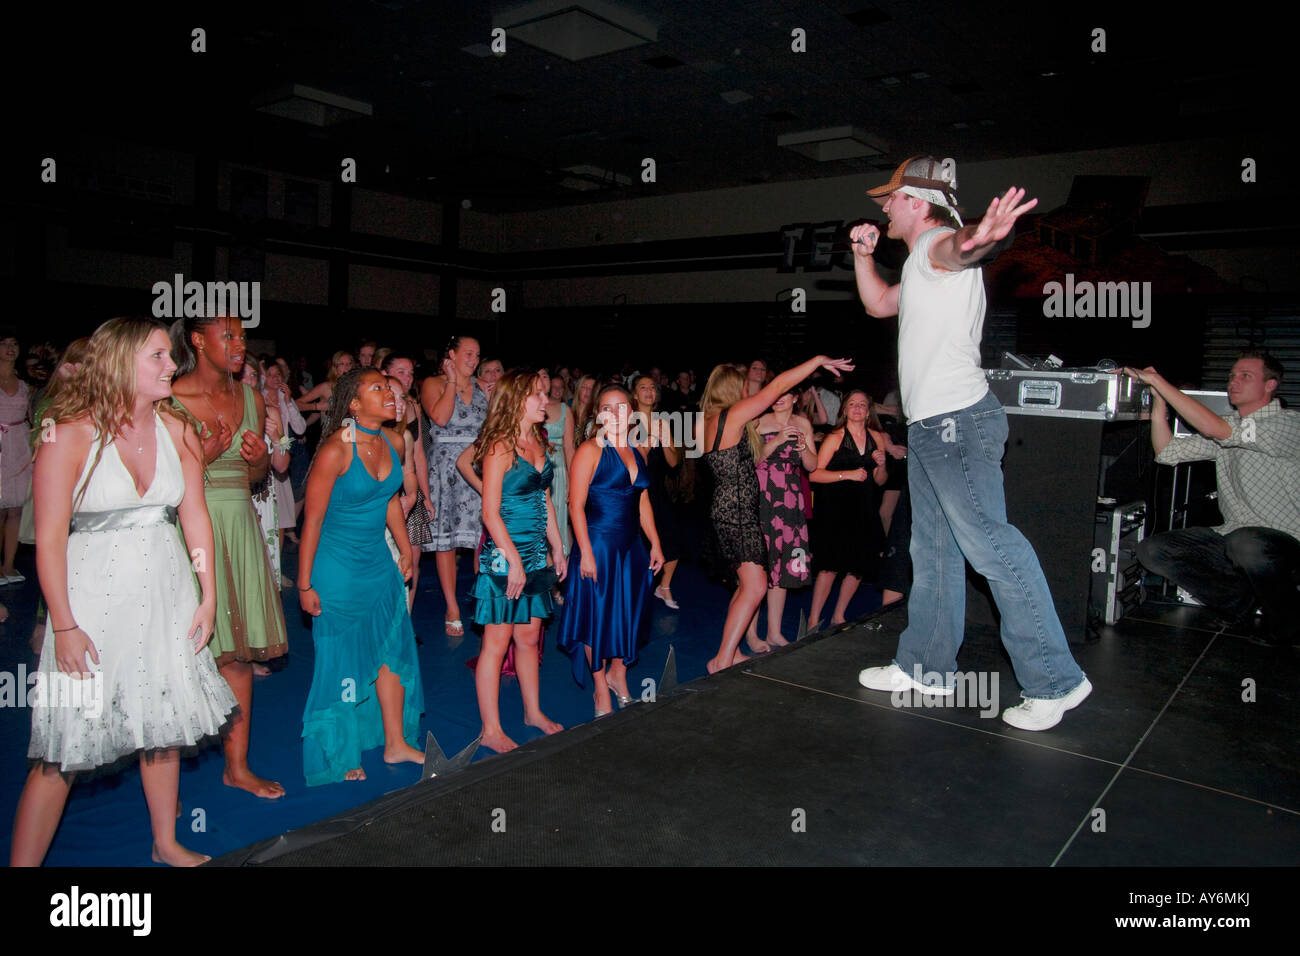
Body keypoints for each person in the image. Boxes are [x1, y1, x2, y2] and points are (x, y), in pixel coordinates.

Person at [850, 154, 1090, 730]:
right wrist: (862, 256)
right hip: (933, 426)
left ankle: (1056, 682)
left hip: (955, 421)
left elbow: (961, 248)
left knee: (992, 547)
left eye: (892, 197)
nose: (883, 206)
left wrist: (983, 235)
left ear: (919, 202)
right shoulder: (915, 268)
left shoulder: (935, 246)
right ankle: (927, 668)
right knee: (931, 554)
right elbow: (876, 304)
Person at [10, 318, 235, 866]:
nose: (171, 366)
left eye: (171, 356)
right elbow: (49, 540)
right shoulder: (66, 432)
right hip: (89, 602)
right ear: (118, 362)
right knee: (60, 751)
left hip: (166, 592)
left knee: (162, 723)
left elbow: (196, 517)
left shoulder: (176, 428)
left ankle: (165, 842)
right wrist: (62, 624)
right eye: (157, 356)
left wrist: (207, 593)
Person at [171, 315, 289, 794]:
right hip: (186, 528)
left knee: (238, 655)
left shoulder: (251, 398)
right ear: (198, 341)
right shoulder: (170, 396)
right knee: (183, 658)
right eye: (229, 336)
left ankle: (236, 767)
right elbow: (153, 483)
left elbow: (258, 473)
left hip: (240, 524)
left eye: (243, 336)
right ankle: (168, 786)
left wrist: (259, 454)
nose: (240, 344)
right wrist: (199, 452)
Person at [298, 369, 426, 784]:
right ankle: (342, 751)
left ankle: (396, 742)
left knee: (392, 652)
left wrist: (405, 548)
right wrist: (304, 584)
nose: (390, 394)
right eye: (378, 389)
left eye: (389, 388)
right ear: (353, 405)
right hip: (337, 571)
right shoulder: (336, 450)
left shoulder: (391, 440)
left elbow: (387, 500)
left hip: (378, 565)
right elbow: (312, 521)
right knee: (344, 663)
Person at [1128, 353, 1300, 648]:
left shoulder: (1288, 423)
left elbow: (1216, 429)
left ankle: (1291, 626)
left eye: (1245, 375)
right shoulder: (1229, 426)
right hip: (1236, 537)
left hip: (1288, 543)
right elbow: (1167, 453)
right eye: (1232, 375)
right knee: (1153, 550)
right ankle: (1239, 606)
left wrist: (1159, 380)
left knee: (1247, 543)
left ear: (1271, 385)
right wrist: (1159, 404)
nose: (1234, 381)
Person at [699, 355, 852, 673]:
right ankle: (721, 660)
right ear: (731, 390)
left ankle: (731, 651)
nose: (749, 391)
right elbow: (779, 384)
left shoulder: (711, 419)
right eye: (743, 386)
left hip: (727, 509)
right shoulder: (732, 416)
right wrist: (817, 361)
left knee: (746, 585)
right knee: (755, 586)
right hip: (738, 512)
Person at [471, 370, 568, 753]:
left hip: (534, 554)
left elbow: (544, 499)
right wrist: (512, 560)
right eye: (539, 395)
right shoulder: (499, 446)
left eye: (545, 393)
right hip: (504, 556)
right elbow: (490, 512)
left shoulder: (536, 441)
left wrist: (557, 546)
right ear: (516, 400)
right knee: (497, 643)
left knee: (528, 638)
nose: (546, 400)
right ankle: (490, 729)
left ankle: (532, 711)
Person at [559, 384, 664, 717]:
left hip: (631, 547)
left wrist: (656, 542)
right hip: (599, 545)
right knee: (596, 616)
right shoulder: (589, 450)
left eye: (621, 408)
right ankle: (600, 687)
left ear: (631, 412)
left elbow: (642, 500)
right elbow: (575, 507)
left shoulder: (637, 449)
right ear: (597, 414)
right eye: (607, 408)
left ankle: (619, 674)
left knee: (627, 612)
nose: (615, 414)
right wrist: (586, 553)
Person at [421, 335, 488, 637]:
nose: (473, 360)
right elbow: (440, 417)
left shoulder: (482, 389)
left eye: (477, 355)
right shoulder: (432, 384)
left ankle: (483, 598)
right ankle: (451, 606)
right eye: (468, 354)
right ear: (452, 354)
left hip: (475, 467)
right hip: (445, 468)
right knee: (446, 542)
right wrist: (451, 381)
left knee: (481, 536)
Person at [745, 382, 819, 649]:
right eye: (775, 394)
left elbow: (812, 465)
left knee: (783, 566)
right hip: (762, 498)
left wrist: (802, 446)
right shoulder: (758, 422)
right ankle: (751, 634)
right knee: (758, 568)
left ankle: (774, 631)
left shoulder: (803, 423)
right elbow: (748, 462)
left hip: (790, 501)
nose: (778, 399)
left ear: (795, 397)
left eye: (784, 394)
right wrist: (776, 440)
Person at [807, 391, 889, 631]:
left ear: (868, 410)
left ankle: (839, 616)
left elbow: (881, 481)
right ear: (844, 409)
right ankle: (813, 620)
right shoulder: (835, 437)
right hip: (835, 509)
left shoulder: (877, 437)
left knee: (858, 567)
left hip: (864, 508)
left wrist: (882, 465)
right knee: (829, 566)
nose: (857, 408)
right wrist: (847, 474)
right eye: (852, 404)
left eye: (862, 404)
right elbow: (815, 474)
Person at [631, 375, 683, 610]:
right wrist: (651, 438)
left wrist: (665, 438)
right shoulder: (629, 423)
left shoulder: (664, 421)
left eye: (652, 387)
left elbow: (673, 462)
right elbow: (635, 461)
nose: (649, 391)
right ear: (634, 394)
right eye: (643, 388)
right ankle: (636, 591)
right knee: (640, 546)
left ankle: (664, 586)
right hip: (636, 492)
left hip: (658, 489)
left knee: (673, 539)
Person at [0, 329, 31, 584]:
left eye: (14, 343)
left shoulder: (23, 384)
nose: (10, 348)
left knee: (15, 509)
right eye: (4, 343)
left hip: (19, 444)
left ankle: (8, 565)